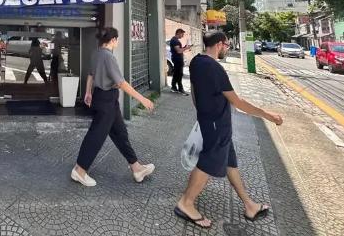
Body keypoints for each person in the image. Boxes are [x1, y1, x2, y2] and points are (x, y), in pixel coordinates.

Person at [174, 31, 283, 229]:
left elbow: (195, 93)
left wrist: (201, 113)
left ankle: (249, 205)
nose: (227, 49)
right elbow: (238, 102)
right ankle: (186, 203)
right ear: (219, 44)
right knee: (208, 163)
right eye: (227, 45)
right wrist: (268, 115)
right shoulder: (215, 68)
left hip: (212, 122)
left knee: (230, 163)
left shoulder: (196, 61)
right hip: (216, 124)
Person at [71, 27, 156, 187]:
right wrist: (143, 99)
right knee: (96, 135)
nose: (118, 42)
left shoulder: (96, 53)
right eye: (117, 39)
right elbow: (121, 83)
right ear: (113, 40)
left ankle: (136, 168)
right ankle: (80, 170)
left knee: (120, 134)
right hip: (107, 100)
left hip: (103, 98)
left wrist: (88, 92)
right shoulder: (108, 56)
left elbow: (91, 74)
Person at [170, 28, 192, 94]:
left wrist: (184, 47)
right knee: (179, 74)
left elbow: (179, 49)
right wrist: (187, 48)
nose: (183, 35)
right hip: (177, 60)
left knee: (176, 74)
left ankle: (173, 87)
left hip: (177, 59)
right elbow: (179, 51)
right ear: (178, 33)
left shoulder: (175, 40)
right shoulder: (175, 40)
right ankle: (180, 88)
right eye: (182, 34)